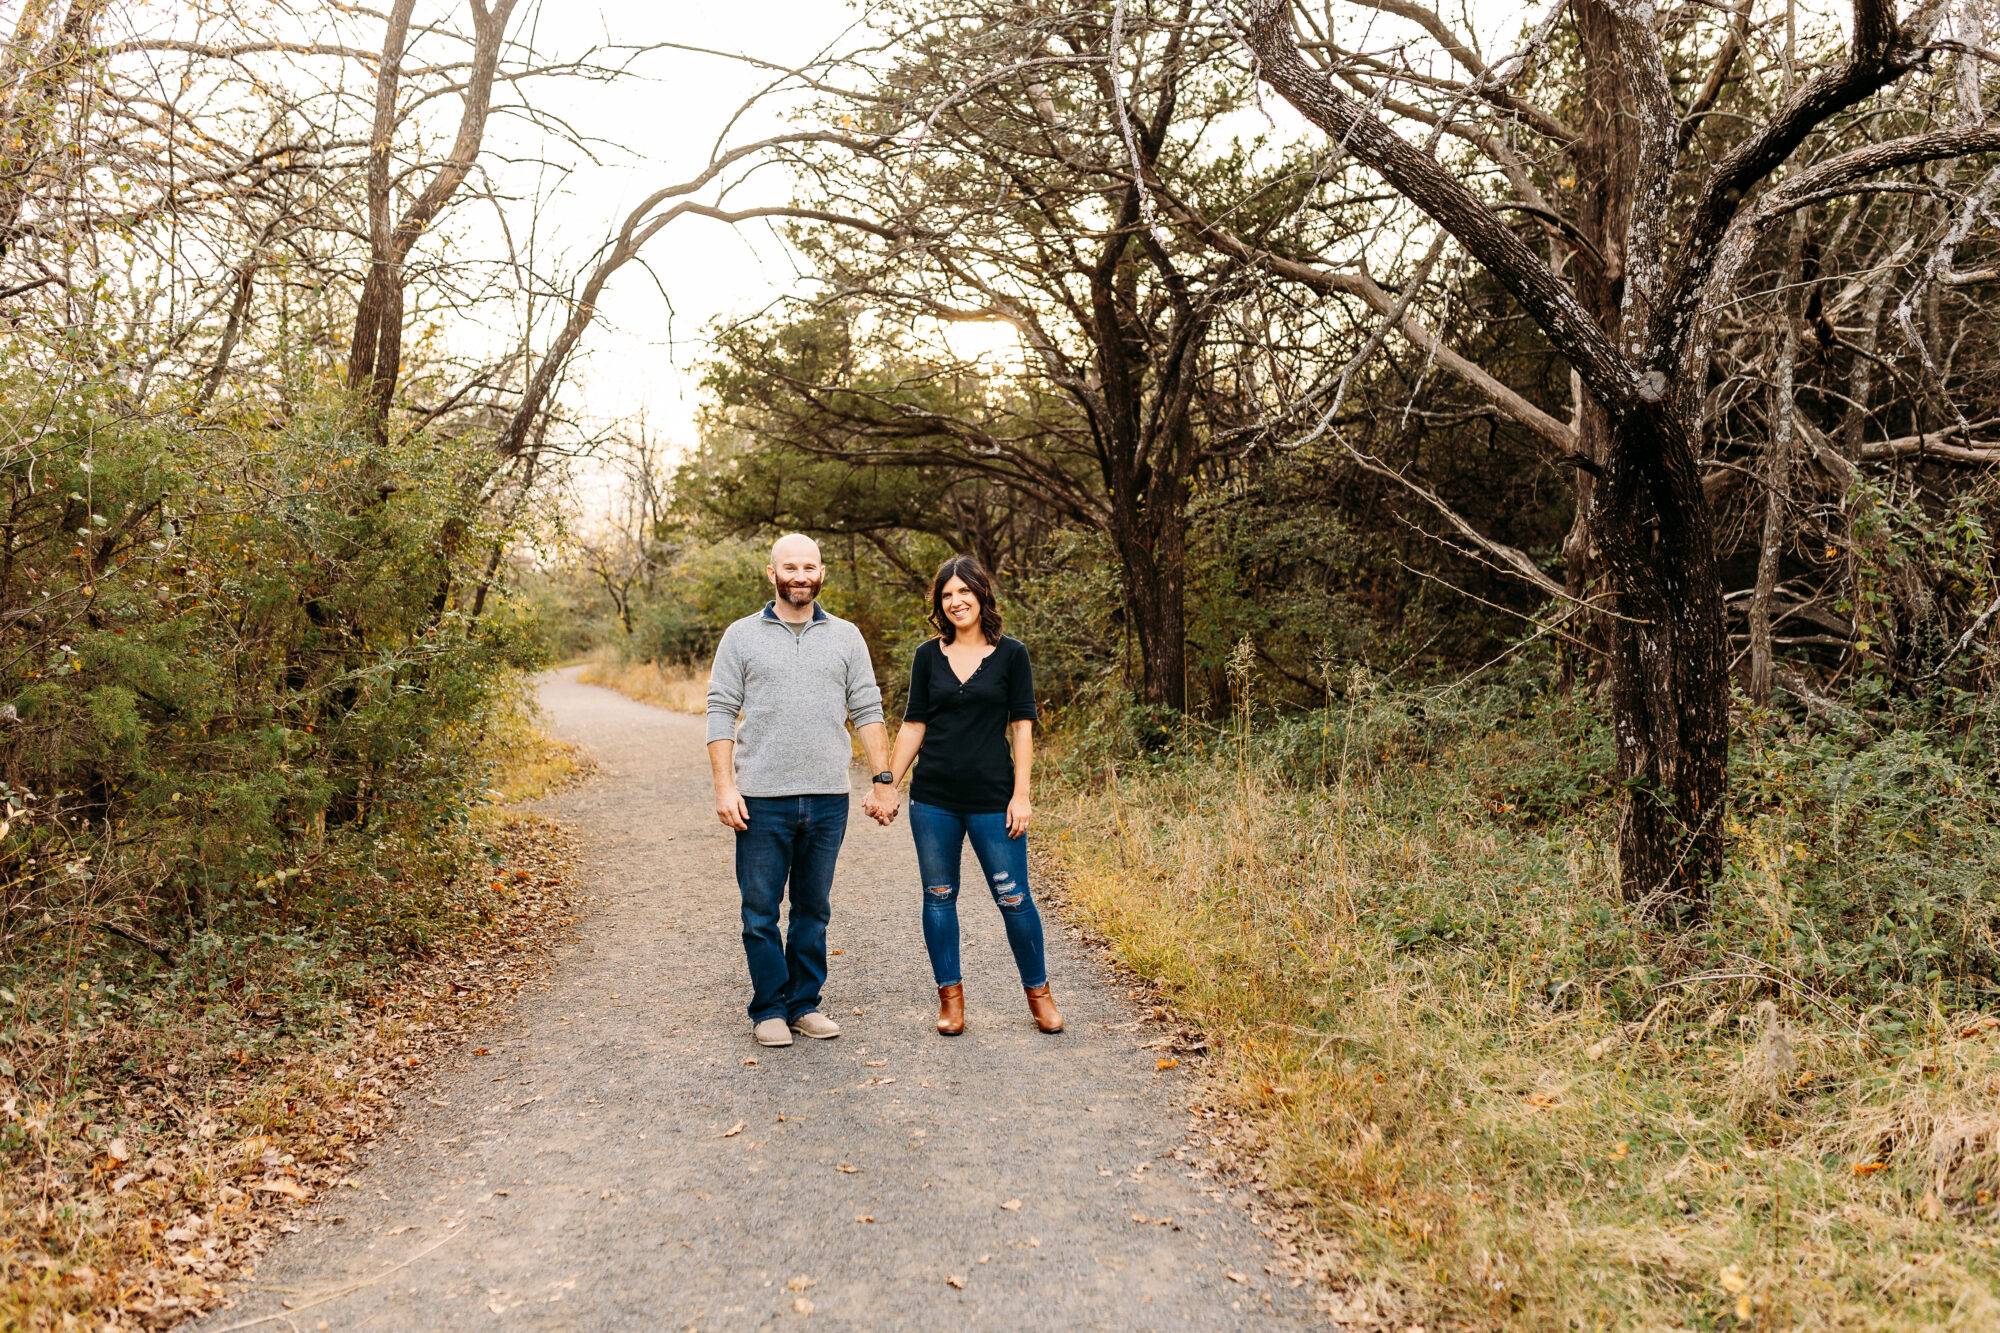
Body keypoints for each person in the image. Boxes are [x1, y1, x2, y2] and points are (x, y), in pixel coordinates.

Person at [705, 533, 896, 1048]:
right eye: (790, 567)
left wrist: (884, 781)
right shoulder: (741, 637)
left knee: (813, 909)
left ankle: (804, 1004)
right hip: (761, 798)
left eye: (809, 566)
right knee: (761, 910)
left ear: (821, 573)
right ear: (772, 574)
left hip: (828, 798)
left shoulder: (846, 636)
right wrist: (725, 786)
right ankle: (768, 1007)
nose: (800, 575)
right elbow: (720, 709)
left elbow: (868, 710)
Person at [873, 556, 1061, 1036]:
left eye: (964, 592)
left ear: (981, 595)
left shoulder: (1011, 654)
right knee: (939, 896)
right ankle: (951, 1000)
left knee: (1014, 897)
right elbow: (914, 723)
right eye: (946, 594)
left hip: (993, 799)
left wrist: (1022, 795)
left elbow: (1022, 728)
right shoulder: (927, 655)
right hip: (933, 798)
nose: (955, 601)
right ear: (940, 603)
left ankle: (1039, 996)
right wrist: (888, 782)